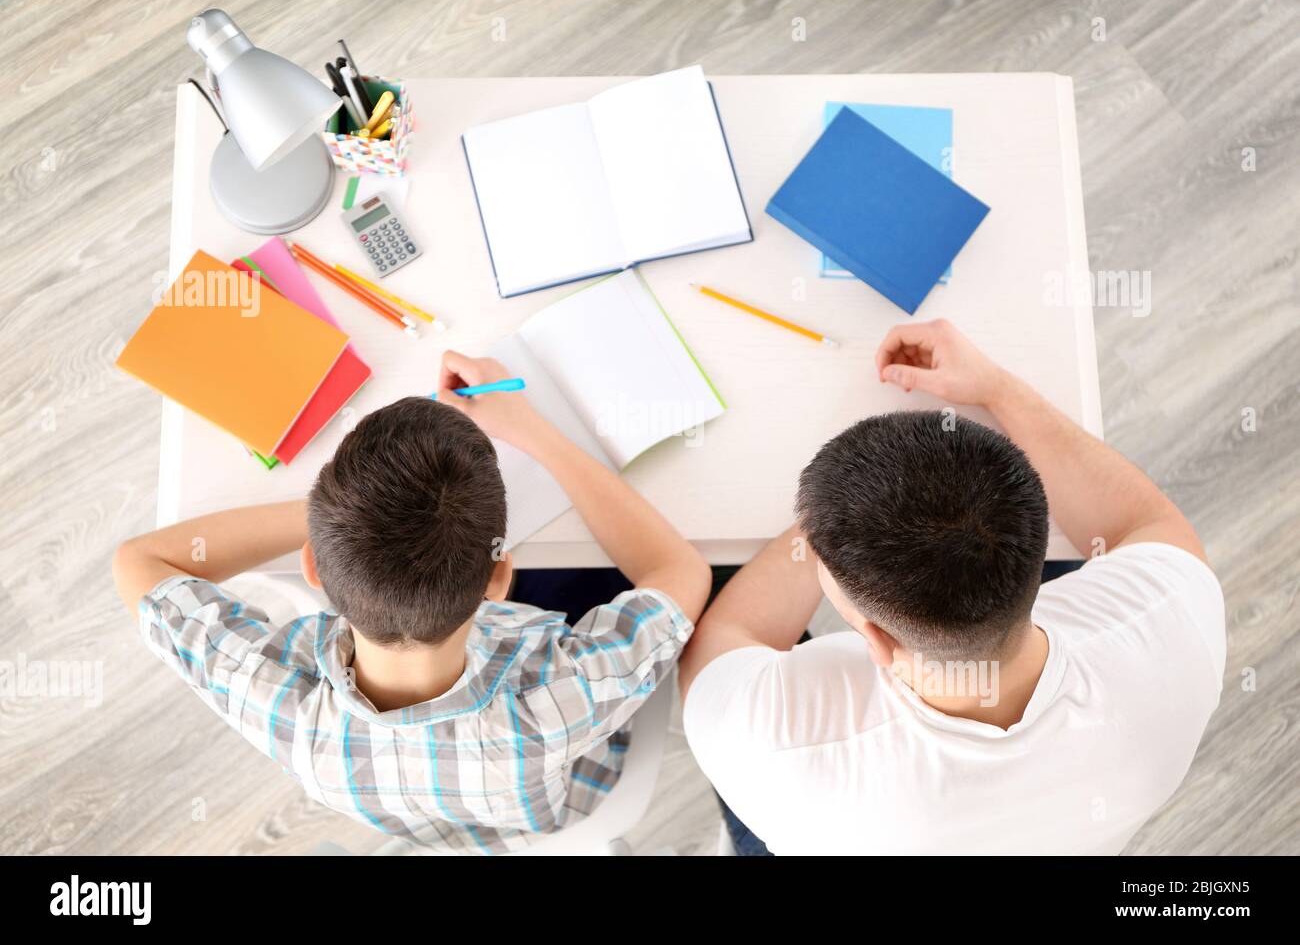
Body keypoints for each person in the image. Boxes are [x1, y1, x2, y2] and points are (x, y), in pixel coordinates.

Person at [112, 352, 710, 854]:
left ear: (313, 564)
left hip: (438, 826)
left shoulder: (279, 702)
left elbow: (138, 562)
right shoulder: (561, 689)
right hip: (565, 796)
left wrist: (345, 519)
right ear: (499, 577)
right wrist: (535, 434)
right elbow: (681, 571)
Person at [679, 319, 1225, 855]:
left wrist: (836, 523)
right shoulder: (1171, 618)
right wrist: (995, 387)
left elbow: (726, 634)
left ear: (875, 639)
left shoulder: (769, 743)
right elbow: (1147, 525)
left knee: (723, 578)